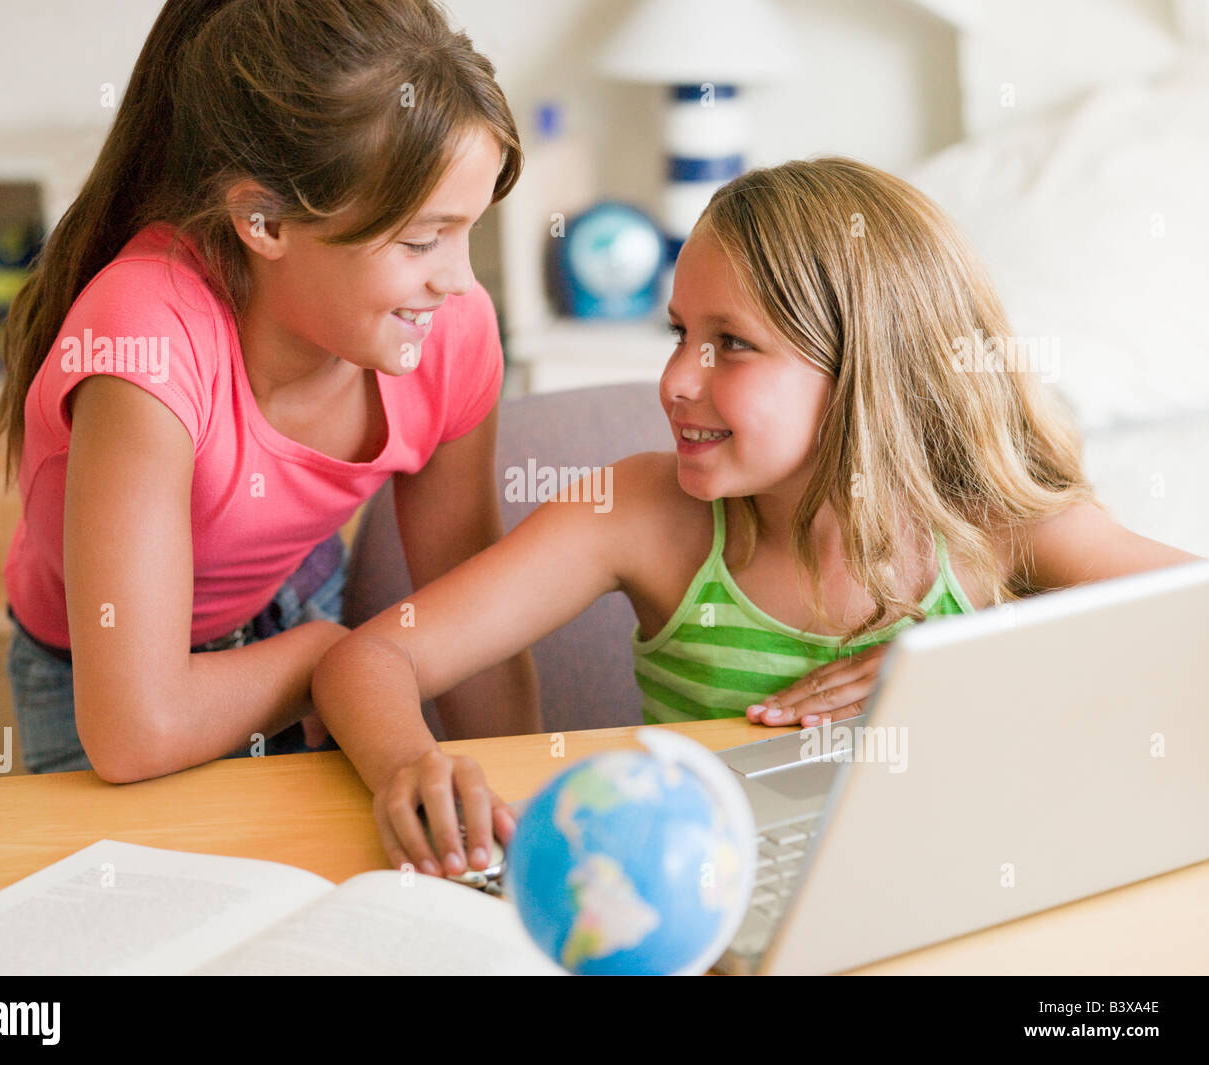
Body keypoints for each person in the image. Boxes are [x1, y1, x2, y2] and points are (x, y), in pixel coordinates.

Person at [310, 155, 1203, 881]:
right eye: (677, 333)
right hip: (705, 889)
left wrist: (969, 668)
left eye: (730, 344)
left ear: (867, 367)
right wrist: (407, 765)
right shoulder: (641, 513)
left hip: (947, 880)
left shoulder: (989, 525)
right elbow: (372, 657)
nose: (677, 381)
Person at [0, 0, 538, 779]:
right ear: (263, 220)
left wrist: (523, 800)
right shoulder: (145, 338)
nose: (461, 281)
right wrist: (326, 656)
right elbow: (137, 729)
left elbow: (475, 623)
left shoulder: (453, 325)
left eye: (467, 228)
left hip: (297, 604)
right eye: (419, 240)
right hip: (104, 675)